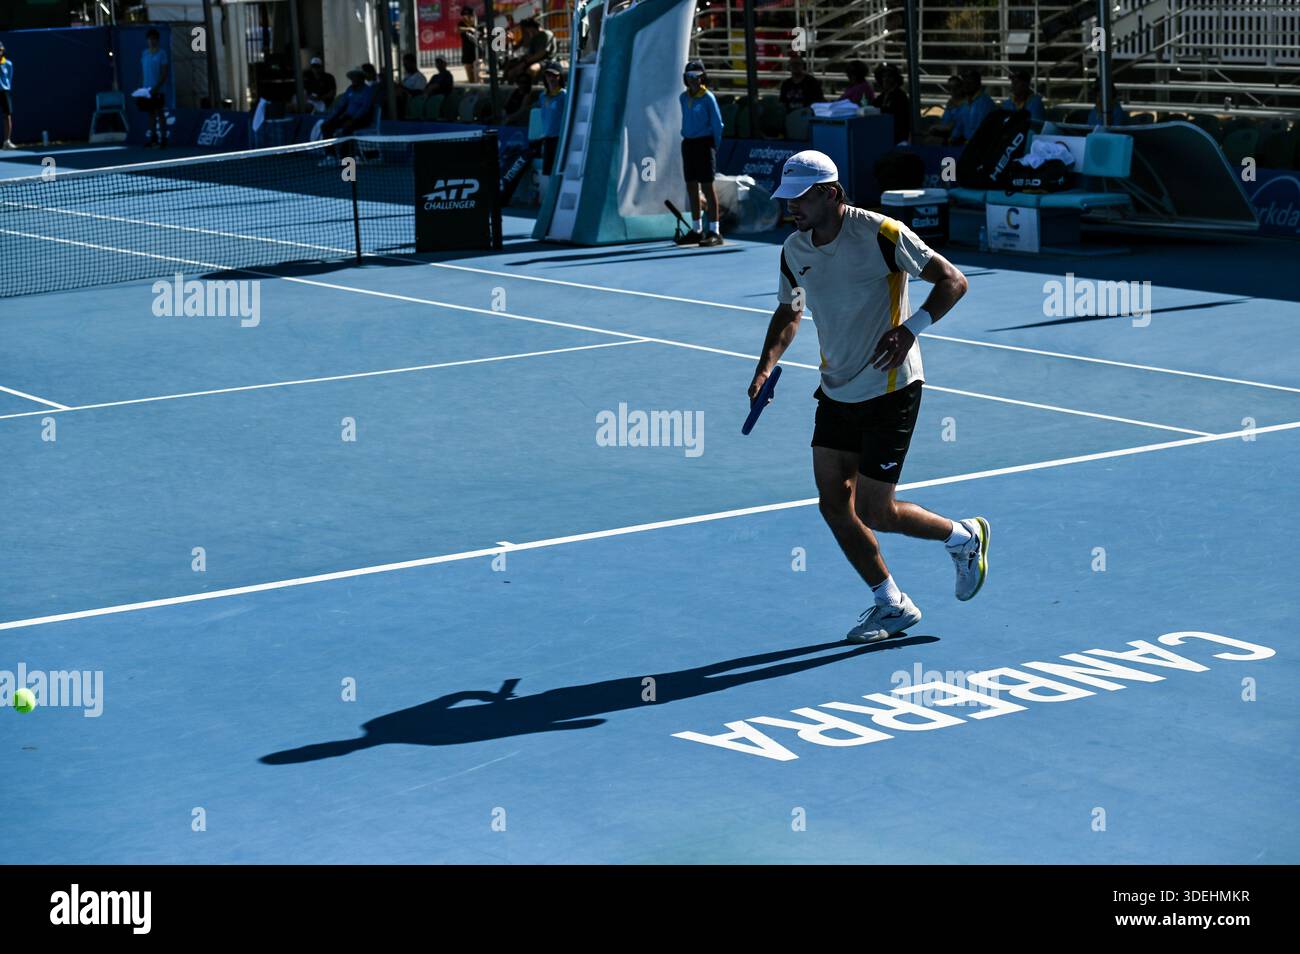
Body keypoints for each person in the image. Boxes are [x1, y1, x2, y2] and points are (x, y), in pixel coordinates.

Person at [750, 150, 986, 643]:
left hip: (890, 387)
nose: (791, 207)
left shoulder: (882, 234)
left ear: (830, 194)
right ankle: (890, 603)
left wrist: (911, 330)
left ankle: (963, 538)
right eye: (786, 198)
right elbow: (791, 313)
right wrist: (766, 366)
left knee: (877, 510)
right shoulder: (795, 250)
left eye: (800, 198)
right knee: (834, 503)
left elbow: (953, 281)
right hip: (836, 389)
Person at [675, 59, 724, 248]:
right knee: (691, 187)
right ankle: (697, 230)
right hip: (688, 144)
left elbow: (717, 125)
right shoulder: (683, 98)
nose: (693, 80)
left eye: (697, 76)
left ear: (702, 77)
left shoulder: (708, 98)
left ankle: (715, 231)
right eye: (690, 77)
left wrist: (714, 146)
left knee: (708, 188)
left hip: (705, 144)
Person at [137, 28, 170, 148]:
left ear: (157, 40)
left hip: (158, 90)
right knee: (150, 114)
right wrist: (142, 89)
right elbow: (143, 72)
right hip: (146, 91)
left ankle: (164, 139)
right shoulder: (144, 53)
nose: (151, 41)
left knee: (160, 113)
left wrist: (157, 87)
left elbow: (164, 73)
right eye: (150, 39)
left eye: (154, 39)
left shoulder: (162, 53)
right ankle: (153, 139)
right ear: (147, 40)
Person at [321, 68, 376, 139]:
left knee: (346, 129)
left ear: (361, 78)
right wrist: (332, 118)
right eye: (352, 77)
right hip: (348, 118)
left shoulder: (367, 91)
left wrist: (353, 120)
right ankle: (330, 149)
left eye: (355, 77)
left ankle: (345, 150)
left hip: (362, 119)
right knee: (326, 126)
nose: (352, 79)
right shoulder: (349, 89)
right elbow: (341, 105)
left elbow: (365, 109)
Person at [951, 67, 995, 144]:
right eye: (965, 81)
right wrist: (952, 139)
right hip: (966, 144)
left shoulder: (986, 103)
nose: (966, 84)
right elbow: (959, 125)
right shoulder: (964, 103)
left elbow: (983, 130)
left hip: (980, 145)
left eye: (970, 82)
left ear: (978, 84)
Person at [505, 18, 556, 83]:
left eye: (526, 30)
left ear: (531, 28)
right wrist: (513, 40)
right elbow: (521, 46)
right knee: (511, 69)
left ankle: (530, 87)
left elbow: (541, 53)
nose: (526, 32)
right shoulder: (533, 37)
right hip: (532, 60)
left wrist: (525, 62)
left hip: (546, 61)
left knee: (531, 70)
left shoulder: (546, 34)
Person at [875, 63, 911, 143]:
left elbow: (893, 112)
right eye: (883, 76)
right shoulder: (882, 96)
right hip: (883, 134)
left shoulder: (900, 96)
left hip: (896, 137)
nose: (885, 79)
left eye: (889, 76)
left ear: (895, 78)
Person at [458, 7, 480, 84]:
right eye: (464, 15)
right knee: (470, 78)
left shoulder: (478, 23)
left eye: (467, 15)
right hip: (467, 52)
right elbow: (458, 29)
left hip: (477, 52)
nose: (465, 17)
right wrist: (469, 29)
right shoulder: (462, 24)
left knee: (478, 76)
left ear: (472, 16)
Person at [0, 42, 13, 150]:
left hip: (4, 91)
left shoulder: (8, 64)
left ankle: (6, 141)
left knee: (7, 115)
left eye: (0, 49)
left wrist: (6, 87)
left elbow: (9, 77)